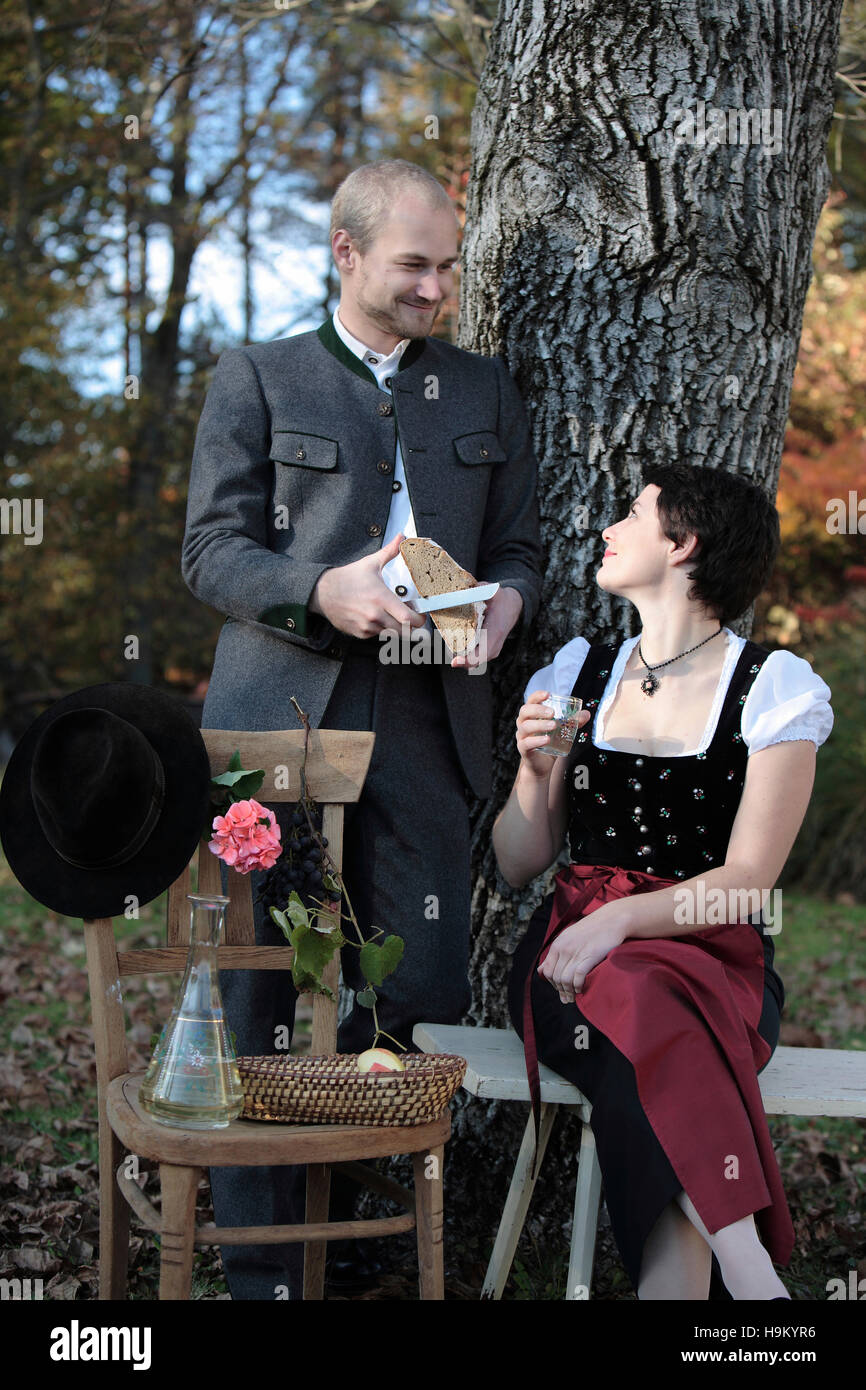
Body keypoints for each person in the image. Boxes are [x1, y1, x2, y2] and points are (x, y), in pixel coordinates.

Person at [181, 158, 543, 1297]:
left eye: (446, 266)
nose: (436, 287)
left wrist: (503, 605)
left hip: (430, 725)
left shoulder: (482, 390)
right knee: (259, 986)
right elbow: (210, 549)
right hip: (278, 719)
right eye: (413, 266)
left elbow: (521, 546)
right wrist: (319, 591)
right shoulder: (258, 374)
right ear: (345, 254)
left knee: (416, 985)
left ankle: (345, 1237)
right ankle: (258, 1273)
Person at [493, 463, 832, 1300]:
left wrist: (621, 923)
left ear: (683, 545)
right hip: (567, 962)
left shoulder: (772, 690)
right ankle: (750, 1274)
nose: (610, 527)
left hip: (713, 959)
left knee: (645, 1012)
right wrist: (537, 775)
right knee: (640, 1002)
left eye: (633, 513)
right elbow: (517, 860)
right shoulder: (574, 676)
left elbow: (746, 883)